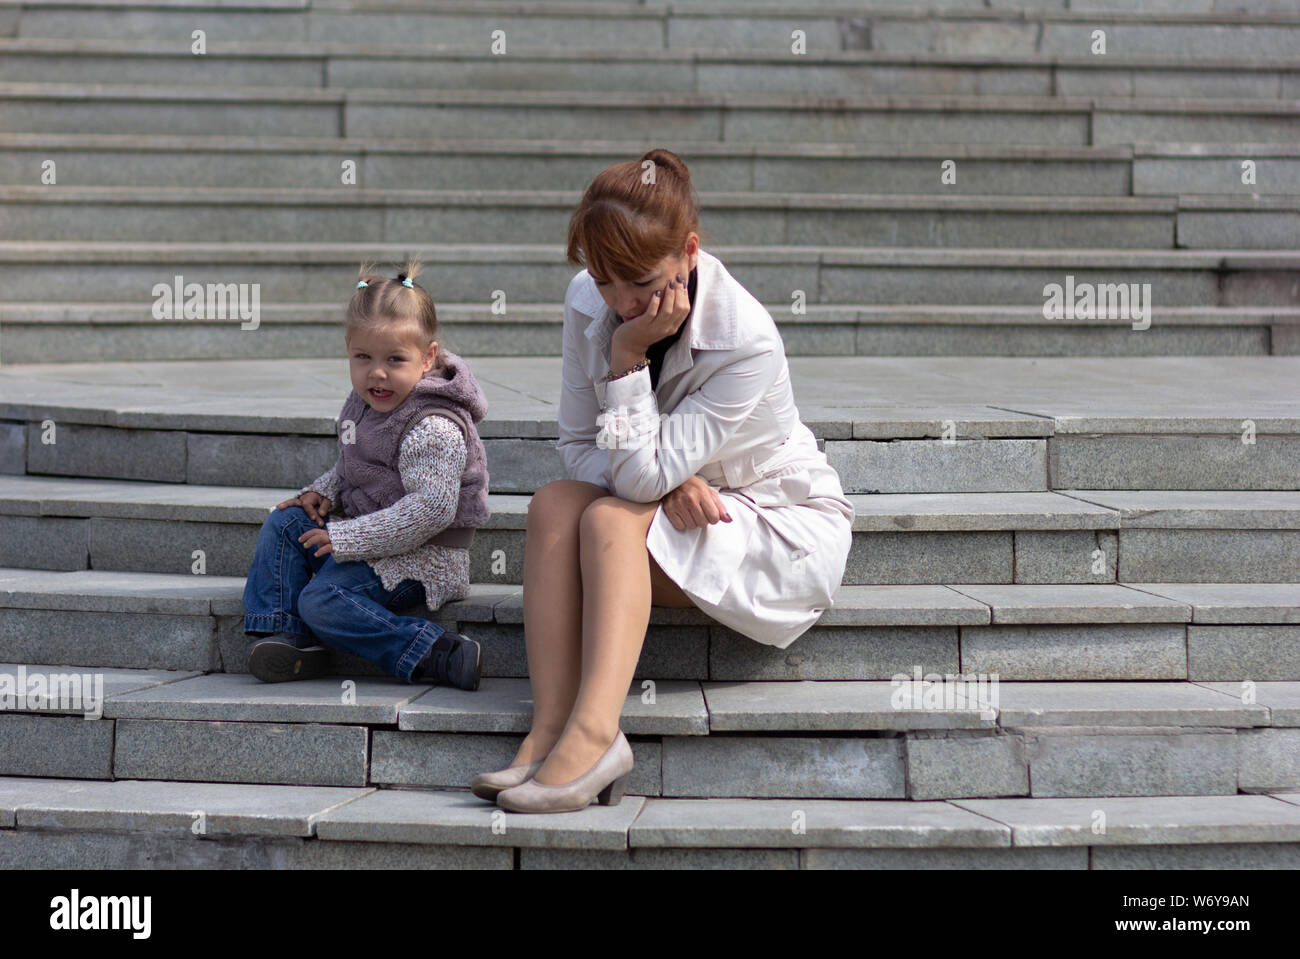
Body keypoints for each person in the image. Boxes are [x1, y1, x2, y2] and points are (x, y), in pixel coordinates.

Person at [476, 148, 855, 813]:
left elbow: (636, 473)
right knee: (555, 506)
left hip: (768, 521)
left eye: (641, 280)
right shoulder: (586, 299)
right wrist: (662, 480)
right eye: (602, 280)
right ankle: (548, 730)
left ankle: (597, 737)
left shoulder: (746, 340)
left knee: (608, 516)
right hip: (675, 508)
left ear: (689, 251)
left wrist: (625, 364)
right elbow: (576, 446)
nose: (622, 303)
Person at [241, 258, 490, 690]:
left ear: (428, 357)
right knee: (286, 523)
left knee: (323, 600)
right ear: (348, 351)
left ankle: (434, 650)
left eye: (395, 359)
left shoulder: (433, 425)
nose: (377, 372)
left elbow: (431, 510)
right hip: (372, 534)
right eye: (363, 357)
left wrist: (345, 539)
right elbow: (356, 466)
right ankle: (285, 635)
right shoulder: (365, 402)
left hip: (424, 555)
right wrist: (323, 492)